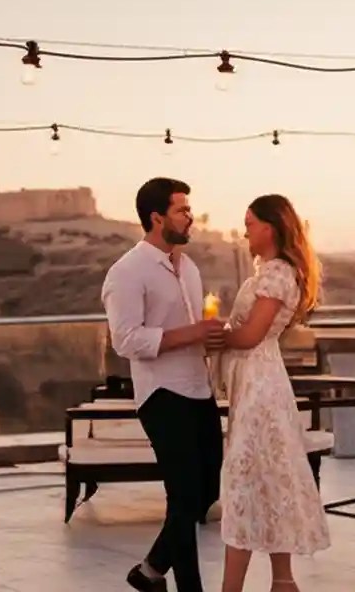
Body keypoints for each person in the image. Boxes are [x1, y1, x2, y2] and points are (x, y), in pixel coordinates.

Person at [102, 177, 227, 592]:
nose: (190, 217)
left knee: (207, 490)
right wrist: (193, 333)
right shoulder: (127, 271)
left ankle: (151, 570)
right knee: (184, 497)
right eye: (181, 210)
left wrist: (210, 339)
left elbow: (191, 331)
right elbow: (126, 340)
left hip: (199, 389)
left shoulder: (188, 267)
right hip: (161, 395)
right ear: (157, 218)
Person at [215, 194, 331, 592]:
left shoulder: (277, 274)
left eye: (250, 223)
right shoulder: (273, 272)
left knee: (245, 481)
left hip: (261, 386)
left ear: (270, 227)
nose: (245, 230)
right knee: (267, 477)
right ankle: (283, 582)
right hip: (259, 382)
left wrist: (215, 336)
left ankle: (237, 589)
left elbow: (250, 336)